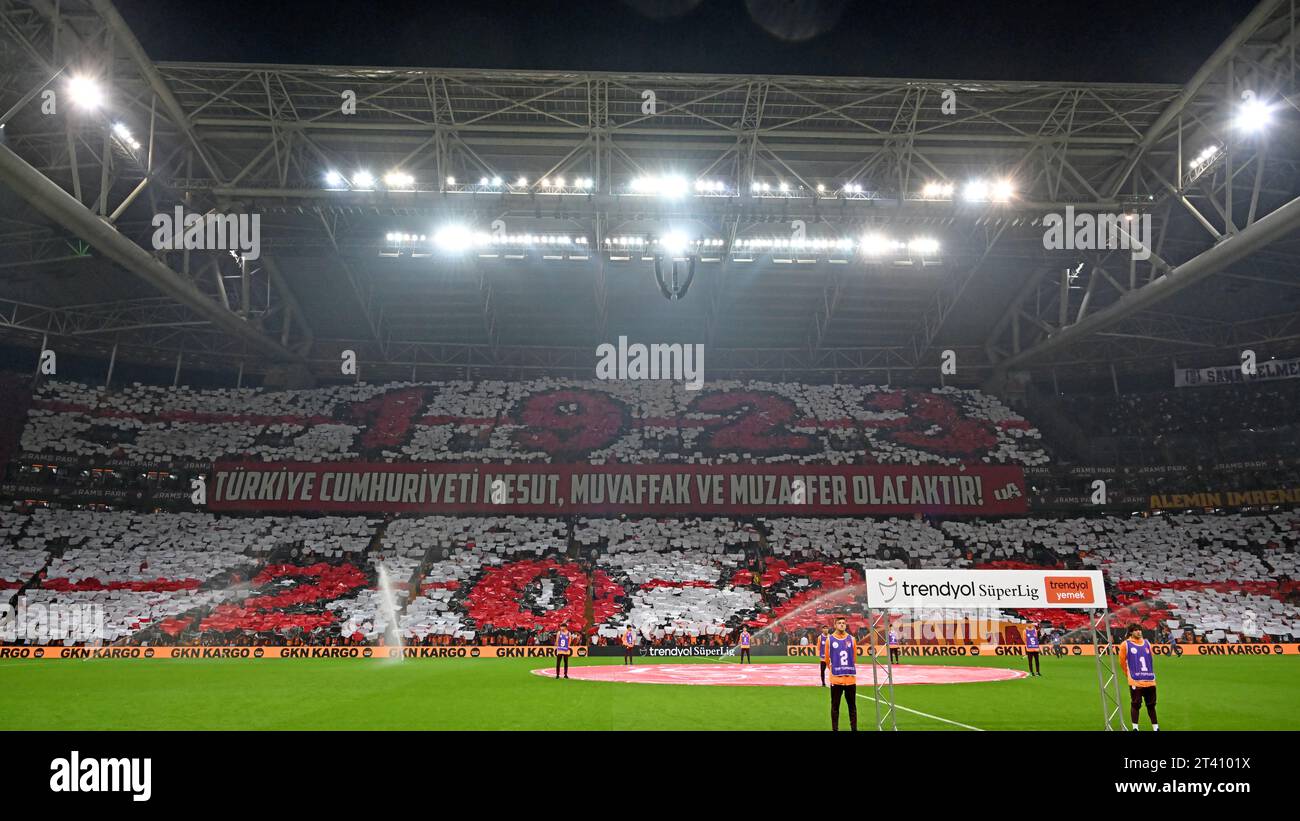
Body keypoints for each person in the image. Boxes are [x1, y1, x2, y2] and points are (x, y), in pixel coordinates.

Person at [1118, 624, 1158, 731]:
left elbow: (1151, 660)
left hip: (1149, 679)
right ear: (1131, 632)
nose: (1139, 632)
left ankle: (1156, 728)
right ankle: (1135, 728)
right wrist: (1129, 675)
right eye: (1136, 630)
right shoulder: (1125, 645)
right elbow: (1122, 662)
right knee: (1136, 704)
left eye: (1140, 630)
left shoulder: (1147, 643)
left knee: (1151, 705)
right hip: (1135, 680)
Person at [823, 615, 857, 731]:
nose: (842, 624)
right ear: (835, 625)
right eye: (839, 623)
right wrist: (836, 669)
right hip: (836, 679)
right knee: (835, 707)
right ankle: (835, 729)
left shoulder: (852, 639)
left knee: (852, 707)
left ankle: (854, 729)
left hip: (850, 679)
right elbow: (827, 660)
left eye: (843, 622)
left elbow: (854, 658)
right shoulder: (830, 639)